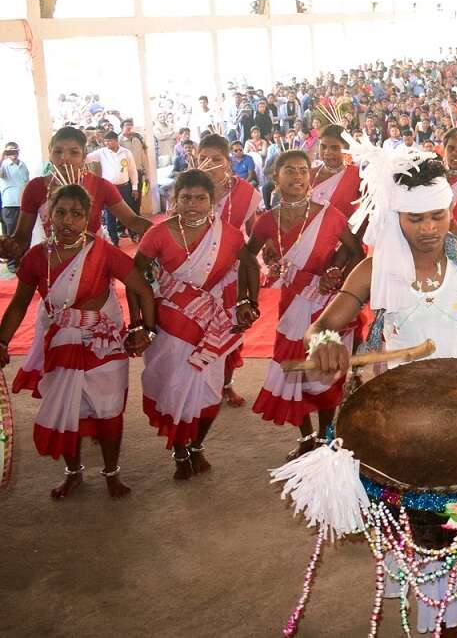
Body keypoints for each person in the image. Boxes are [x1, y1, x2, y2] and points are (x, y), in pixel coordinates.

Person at [304, 149, 457, 638]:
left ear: (450, 212)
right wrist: (327, 345)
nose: (427, 227)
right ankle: (441, 617)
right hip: (402, 421)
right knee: (421, 530)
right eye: (415, 218)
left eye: (437, 215)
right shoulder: (372, 271)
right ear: (394, 216)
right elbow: (321, 329)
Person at [0, 183, 155, 498]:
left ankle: (112, 473)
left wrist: (145, 329)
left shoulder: (103, 252)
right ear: (49, 216)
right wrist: (2, 341)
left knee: (108, 411)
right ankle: (73, 472)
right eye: (60, 213)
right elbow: (18, 304)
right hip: (58, 344)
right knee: (67, 407)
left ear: (88, 219)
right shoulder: (36, 257)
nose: (67, 221)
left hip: (104, 343)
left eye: (76, 214)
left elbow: (142, 288)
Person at [133, 170, 260, 479]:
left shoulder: (228, 234)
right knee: (174, 390)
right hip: (169, 324)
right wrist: (141, 325)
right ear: (174, 200)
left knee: (209, 392)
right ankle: (179, 451)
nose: (192, 204)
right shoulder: (158, 234)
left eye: (200, 198)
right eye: (185, 197)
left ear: (212, 201)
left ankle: (197, 445)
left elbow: (250, 264)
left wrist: (249, 302)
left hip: (211, 324)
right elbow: (134, 279)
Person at [247, 151, 363, 456]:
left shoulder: (329, 215)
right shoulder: (267, 221)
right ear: (276, 177)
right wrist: (264, 270)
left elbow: (356, 251)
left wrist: (336, 274)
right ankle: (305, 438)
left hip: (325, 303)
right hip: (291, 304)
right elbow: (248, 255)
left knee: (326, 372)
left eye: (302, 170)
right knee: (294, 369)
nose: (298, 176)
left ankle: (326, 437)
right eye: (290, 171)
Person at [0, 127, 151, 262]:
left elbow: (132, 221)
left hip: (95, 262)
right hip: (55, 263)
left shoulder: (100, 185)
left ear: (84, 155)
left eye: (74, 152)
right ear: (50, 152)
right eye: (58, 151)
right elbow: (21, 239)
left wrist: (167, 231)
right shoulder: (36, 187)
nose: (65, 158)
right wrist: (9, 247)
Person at [195, 133, 263, 406]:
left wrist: (255, 264)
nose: (209, 164)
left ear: (228, 163)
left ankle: (225, 384)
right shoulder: (188, 188)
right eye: (203, 159)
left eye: (216, 159)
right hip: (194, 273)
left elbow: (252, 230)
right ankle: (197, 382)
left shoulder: (247, 193)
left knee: (231, 331)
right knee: (195, 330)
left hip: (231, 272)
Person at [86, 131, 140, 244]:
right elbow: (87, 158)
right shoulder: (101, 152)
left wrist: (134, 187)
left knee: (128, 213)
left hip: (125, 187)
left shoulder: (126, 152)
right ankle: (114, 239)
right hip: (109, 189)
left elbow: (132, 170)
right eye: (105, 141)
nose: (107, 143)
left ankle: (133, 234)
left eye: (109, 141)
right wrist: (85, 143)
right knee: (109, 215)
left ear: (116, 140)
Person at [309, 124, 362, 220]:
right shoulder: (309, 175)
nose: (327, 152)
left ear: (346, 150)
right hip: (311, 233)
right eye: (323, 147)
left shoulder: (357, 175)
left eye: (335, 148)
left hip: (345, 234)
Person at [0, 142, 29, 271]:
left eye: (14, 150)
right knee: (10, 235)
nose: (13, 153)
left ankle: (22, 260)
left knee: (24, 233)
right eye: (9, 151)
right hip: (10, 204)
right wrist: (3, 156)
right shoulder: (5, 165)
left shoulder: (23, 165)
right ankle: (11, 263)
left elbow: (26, 182)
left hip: (23, 203)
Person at [119, 118, 149, 207]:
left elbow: (143, 156)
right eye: (126, 125)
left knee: (138, 196)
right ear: (122, 127)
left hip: (138, 171)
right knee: (127, 198)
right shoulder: (118, 141)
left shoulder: (137, 139)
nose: (129, 127)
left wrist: (146, 173)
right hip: (125, 173)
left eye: (130, 125)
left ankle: (137, 216)